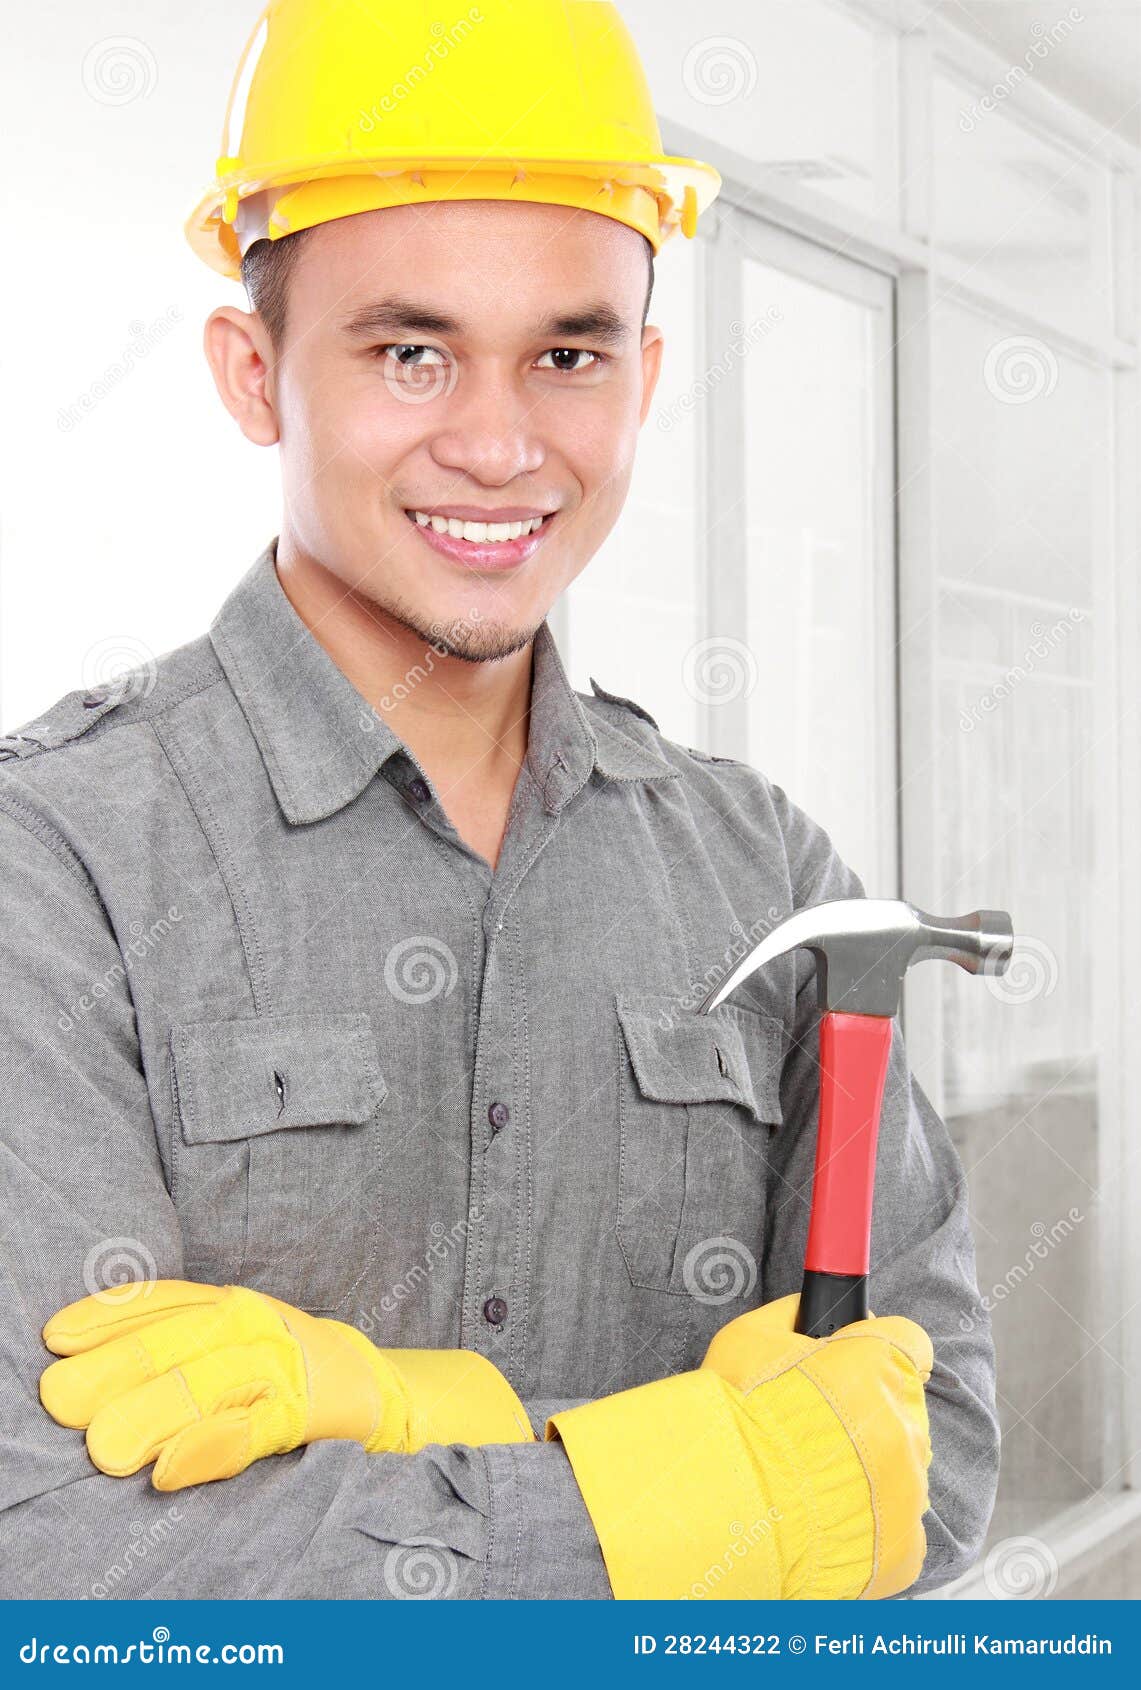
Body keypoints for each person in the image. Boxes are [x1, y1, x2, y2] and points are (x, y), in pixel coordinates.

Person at [0, 0, 997, 1601]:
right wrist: (699, 1500)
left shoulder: (762, 869)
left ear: (643, 375)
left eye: (567, 354)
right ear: (253, 375)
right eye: (410, 351)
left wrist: (415, 1419)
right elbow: (44, 1551)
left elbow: (933, 1443)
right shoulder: (54, 867)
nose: (497, 439)